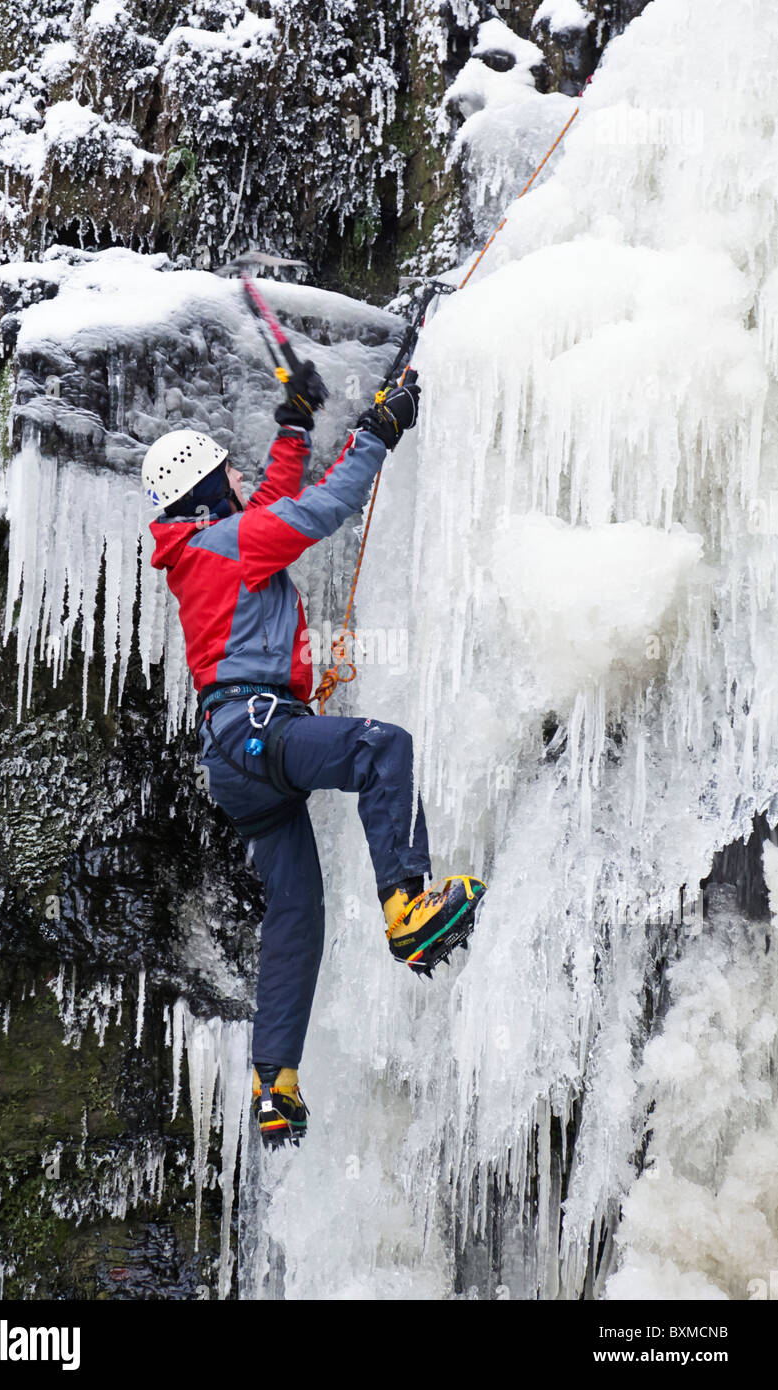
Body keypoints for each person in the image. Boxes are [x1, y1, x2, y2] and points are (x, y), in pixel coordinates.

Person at [143, 362, 485, 1148]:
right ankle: (407, 908)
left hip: (234, 760)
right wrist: (375, 433)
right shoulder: (227, 541)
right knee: (379, 749)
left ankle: (276, 1084)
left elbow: (270, 505)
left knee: (296, 912)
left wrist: (293, 425)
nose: (240, 475)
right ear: (204, 491)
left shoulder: (208, 545)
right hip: (260, 729)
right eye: (227, 470)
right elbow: (320, 508)